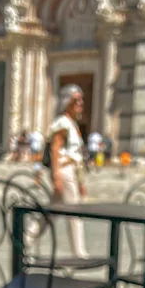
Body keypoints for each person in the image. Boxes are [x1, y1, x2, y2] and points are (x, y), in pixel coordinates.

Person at [47, 84, 91, 259]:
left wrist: (81, 182)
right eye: (75, 100)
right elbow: (55, 150)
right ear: (67, 102)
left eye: (81, 100)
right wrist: (56, 176)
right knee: (74, 212)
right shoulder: (62, 123)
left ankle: (26, 239)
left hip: (73, 171)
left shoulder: (73, 125)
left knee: (50, 213)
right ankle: (79, 252)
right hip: (65, 170)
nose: (80, 104)